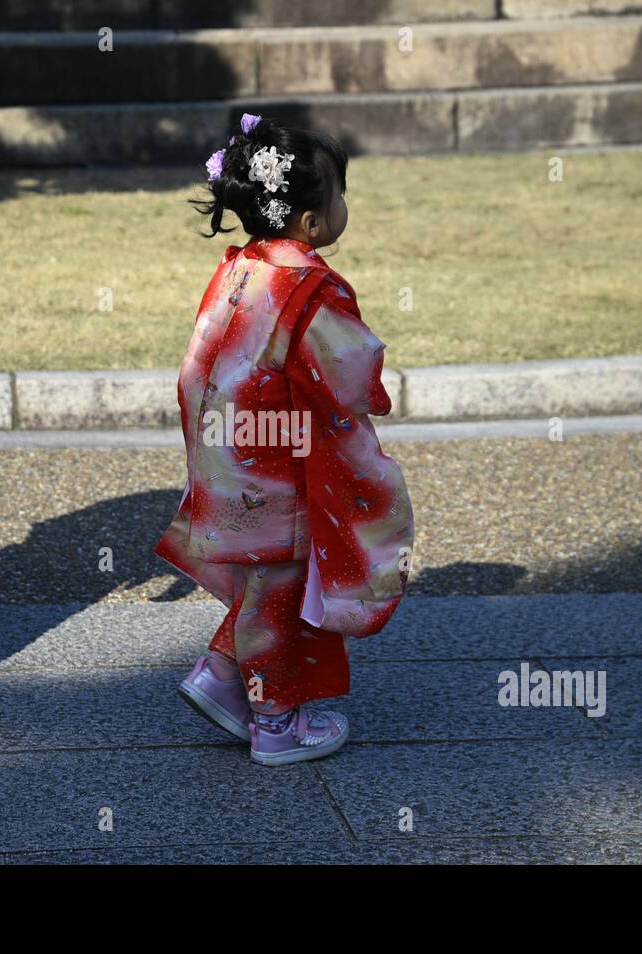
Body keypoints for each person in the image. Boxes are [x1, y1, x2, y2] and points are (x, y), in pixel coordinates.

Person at [156, 113, 414, 766]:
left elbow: (199, 365)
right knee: (282, 594)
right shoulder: (310, 286)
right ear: (310, 222)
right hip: (281, 468)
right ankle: (277, 723)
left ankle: (219, 676)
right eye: (340, 193)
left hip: (230, 453)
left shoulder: (240, 270)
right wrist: (368, 402)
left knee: (269, 585)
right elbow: (346, 372)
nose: (345, 206)